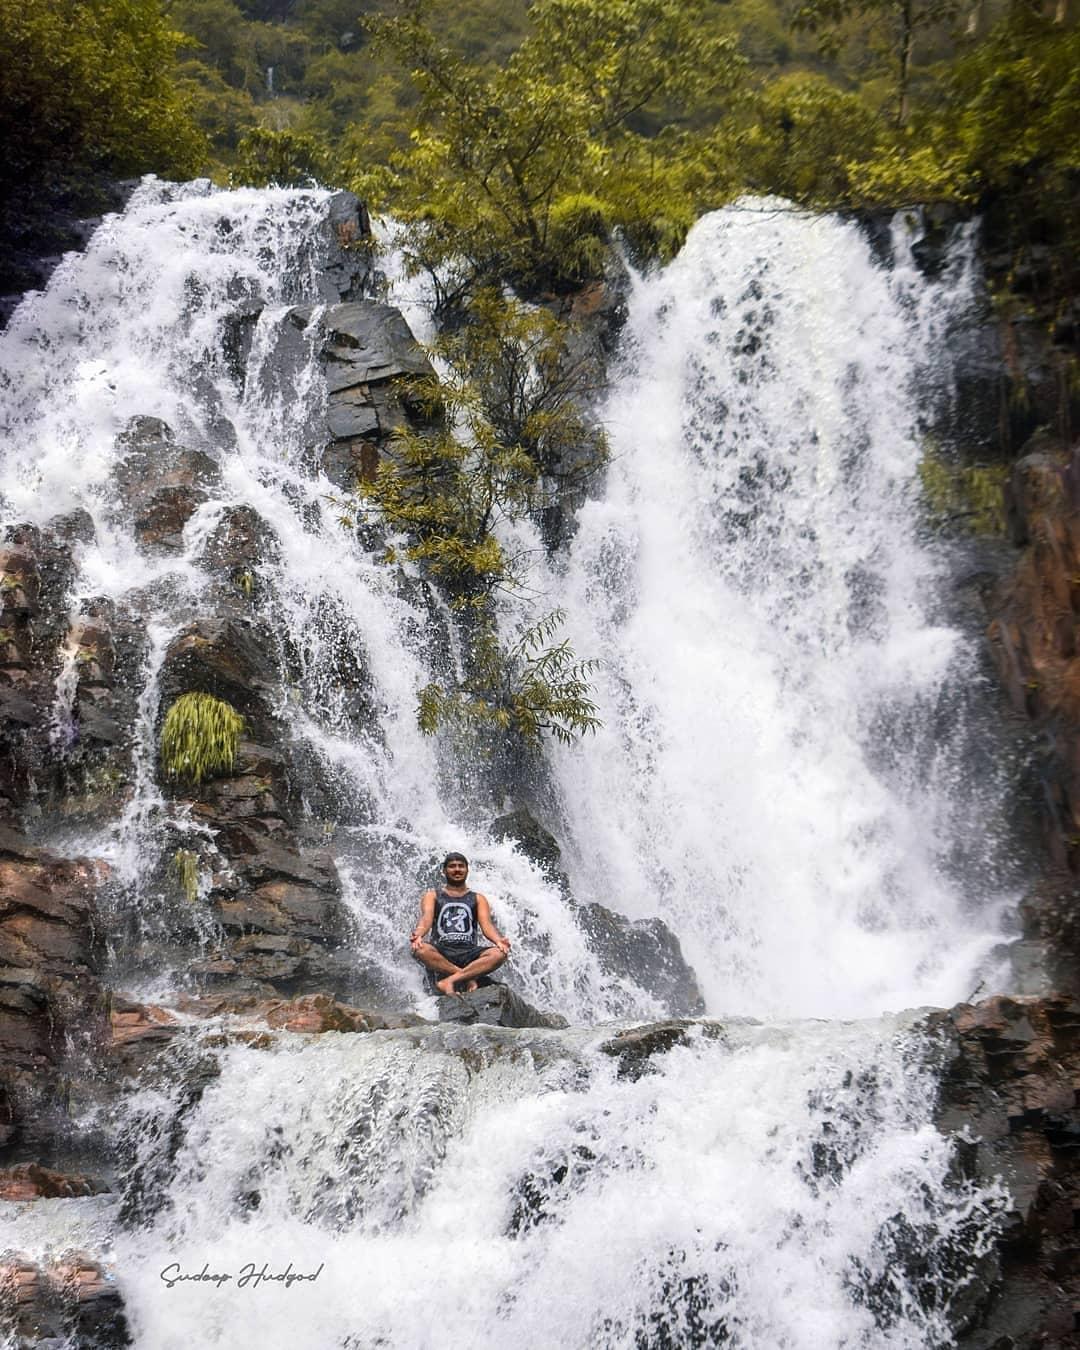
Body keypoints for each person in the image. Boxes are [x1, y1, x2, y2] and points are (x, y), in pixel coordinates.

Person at [409, 852, 511, 996]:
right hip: (441, 951)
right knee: (420, 949)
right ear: (444, 871)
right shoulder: (432, 895)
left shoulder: (478, 898)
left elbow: (487, 926)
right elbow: (426, 918)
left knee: (500, 953)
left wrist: (499, 941)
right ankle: (467, 977)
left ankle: (450, 980)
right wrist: (418, 935)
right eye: (452, 866)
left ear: (467, 870)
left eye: (461, 866)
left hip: (469, 952)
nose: (457, 869)